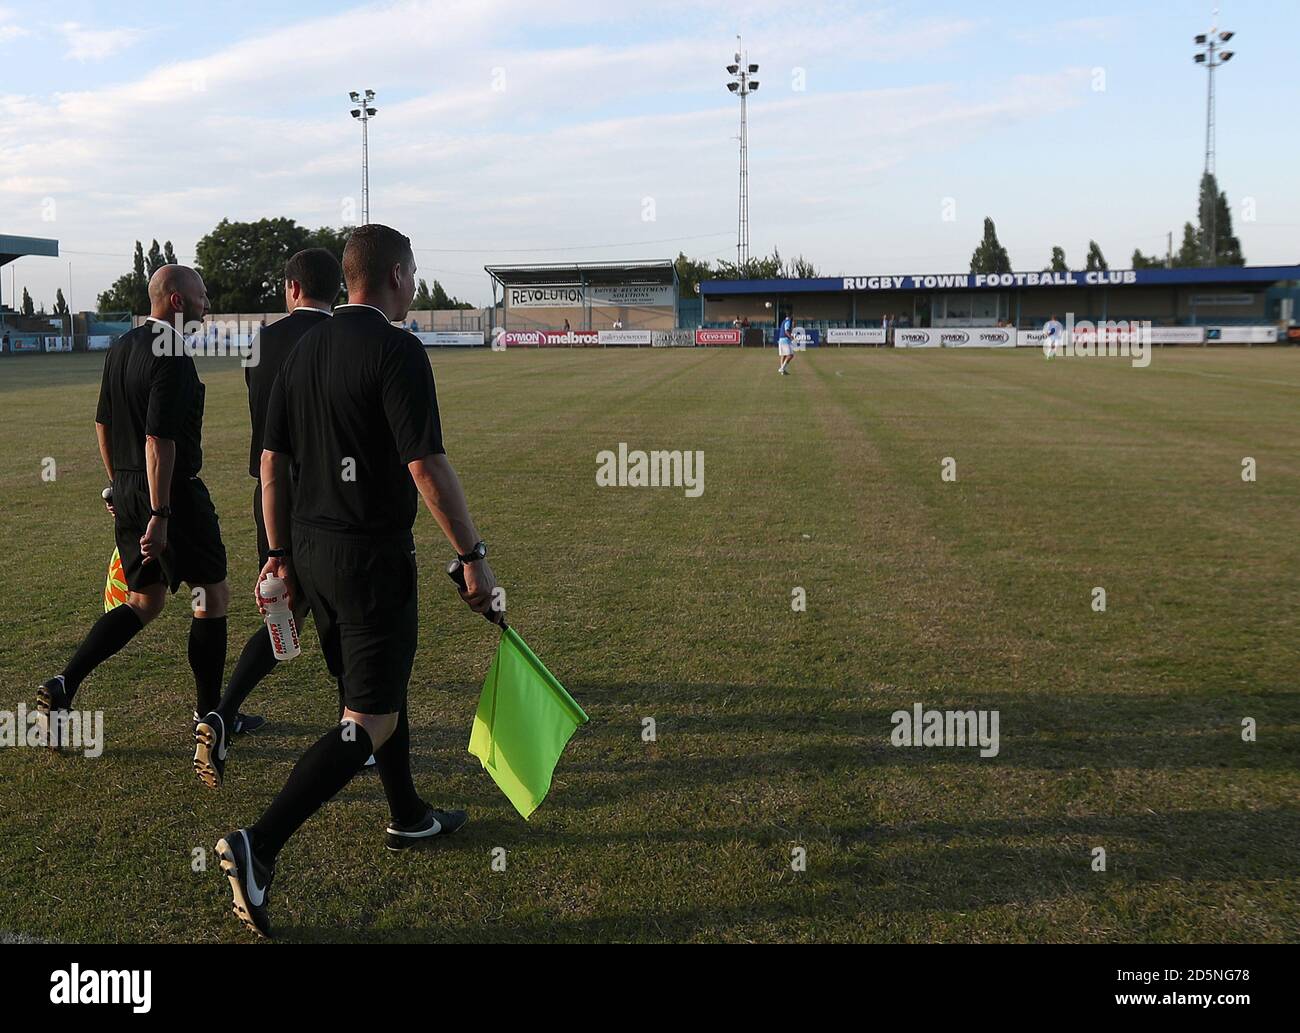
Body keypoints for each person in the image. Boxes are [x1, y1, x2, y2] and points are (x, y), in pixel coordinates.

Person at [215, 224, 499, 937]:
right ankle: (261, 843)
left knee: (376, 692)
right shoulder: (396, 347)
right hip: (371, 558)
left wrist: (277, 552)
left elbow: (272, 464)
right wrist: (473, 555)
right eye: (415, 272)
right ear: (399, 274)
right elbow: (426, 466)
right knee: (366, 716)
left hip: (311, 550)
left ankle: (408, 815)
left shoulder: (302, 346)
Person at [37, 266, 231, 751]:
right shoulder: (173, 355)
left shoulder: (122, 346)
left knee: (144, 600)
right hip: (170, 495)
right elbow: (157, 439)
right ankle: (209, 716)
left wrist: (115, 487)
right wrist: (160, 513)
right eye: (202, 296)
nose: (207, 305)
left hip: (126, 489)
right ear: (177, 301)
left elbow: (103, 424)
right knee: (211, 596)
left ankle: (65, 684)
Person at [193, 248, 341, 789]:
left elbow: (265, 425)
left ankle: (222, 713)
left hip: (272, 491)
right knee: (334, 608)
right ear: (334, 290)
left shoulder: (261, 343)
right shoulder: (335, 339)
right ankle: (359, 732)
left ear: (292, 288)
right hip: (329, 493)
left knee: (286, 606)